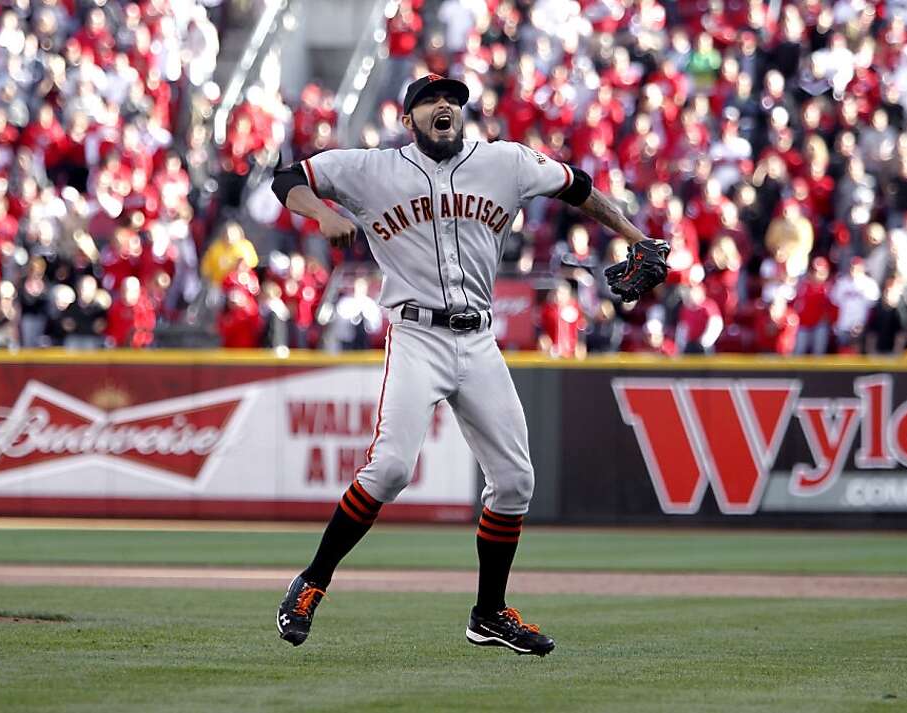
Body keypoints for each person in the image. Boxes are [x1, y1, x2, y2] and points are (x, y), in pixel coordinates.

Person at [271, 75, 664, 656]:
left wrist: (637, 236)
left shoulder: (504, 162)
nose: (444, 107)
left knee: (514, 482)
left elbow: (576, 186)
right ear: (409, 120)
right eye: (429, 100)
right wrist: (319, 214)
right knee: (391, 471)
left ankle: (489, 613)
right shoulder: (372, 169)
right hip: (416, 334)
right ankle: (311, 581)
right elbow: (289, 177)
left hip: (479, 339)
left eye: (453, 100)